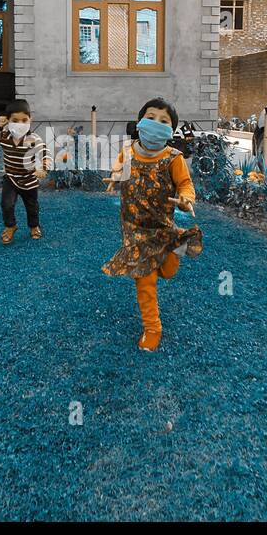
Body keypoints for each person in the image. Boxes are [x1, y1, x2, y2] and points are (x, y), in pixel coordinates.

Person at [102, 98, 203, 351]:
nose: (156, 123)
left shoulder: (173, 158)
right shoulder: (129, 149)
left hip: (161, 227)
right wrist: (115, 176)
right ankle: (152, 328)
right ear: (139, 122)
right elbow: (120, 167)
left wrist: (186, 199)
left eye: (164, 121)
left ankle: (174, 246)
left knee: (167, 271)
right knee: (144, 279)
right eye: (151, 117)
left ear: (171, 130)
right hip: (134, 229)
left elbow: (185, 185)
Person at [0, 100, 52, 244]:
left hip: (29, 180)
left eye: (24, 120)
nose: (20, 123)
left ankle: (34, 226)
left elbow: (46, 154)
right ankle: (10, 226)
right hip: (11, 178)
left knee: (32, 206)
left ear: (30, 119)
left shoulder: (34, 139)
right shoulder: (4, 136)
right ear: (8, 120)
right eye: (15, 120)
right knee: (6, 204)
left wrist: (43, 168)